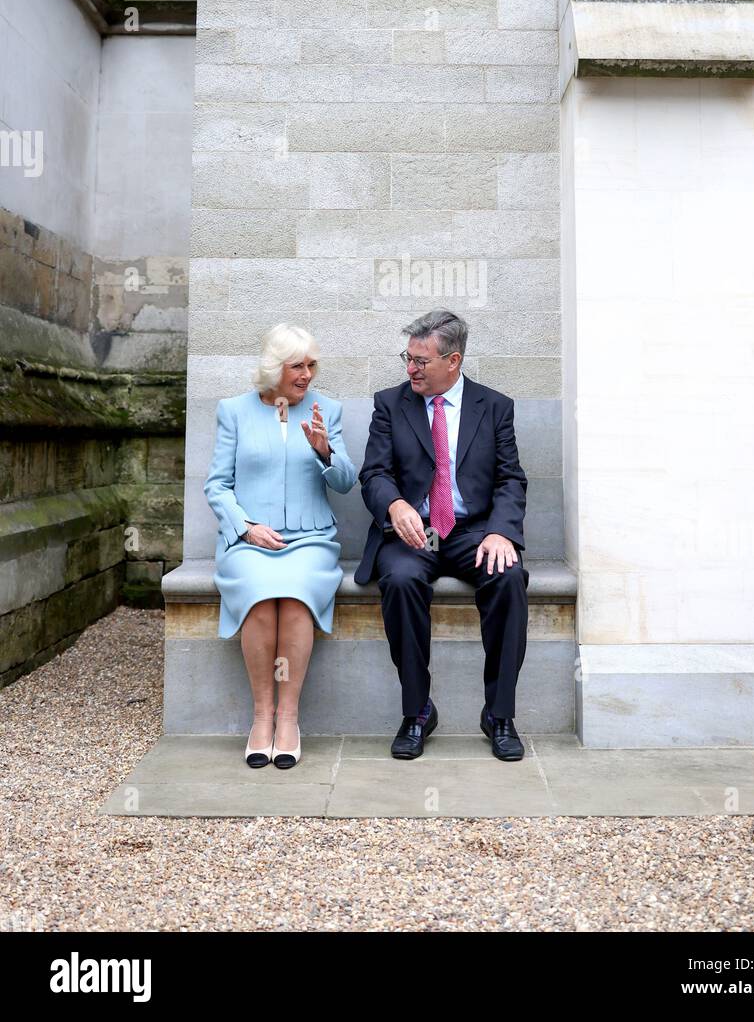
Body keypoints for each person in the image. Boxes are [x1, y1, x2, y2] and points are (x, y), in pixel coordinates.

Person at [357, 309, 529, 761]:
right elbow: (374, 472)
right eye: (407, 358)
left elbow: (510, 479)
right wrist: (395, 506)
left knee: (508, 576)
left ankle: (500, 714)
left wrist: (501, 533)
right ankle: (416, 711)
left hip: (472, 533)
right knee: (400, 580)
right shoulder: (390, 404)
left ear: (453, 361)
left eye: (421, 361)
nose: (410, 369)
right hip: (417, 533)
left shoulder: (493, 407)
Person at [203, 323, 357, 769]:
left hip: (310, 539)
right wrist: (247, 527)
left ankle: (288, 718)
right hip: (249, 538)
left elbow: (347, 483)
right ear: (276, 368)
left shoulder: (326, 409)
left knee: (293, 597)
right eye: (297, 366)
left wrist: (326, 452)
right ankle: (261, 718)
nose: (307, 374)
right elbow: (217, 485)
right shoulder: (234, 411)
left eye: (312, 365)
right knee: (257, 597)